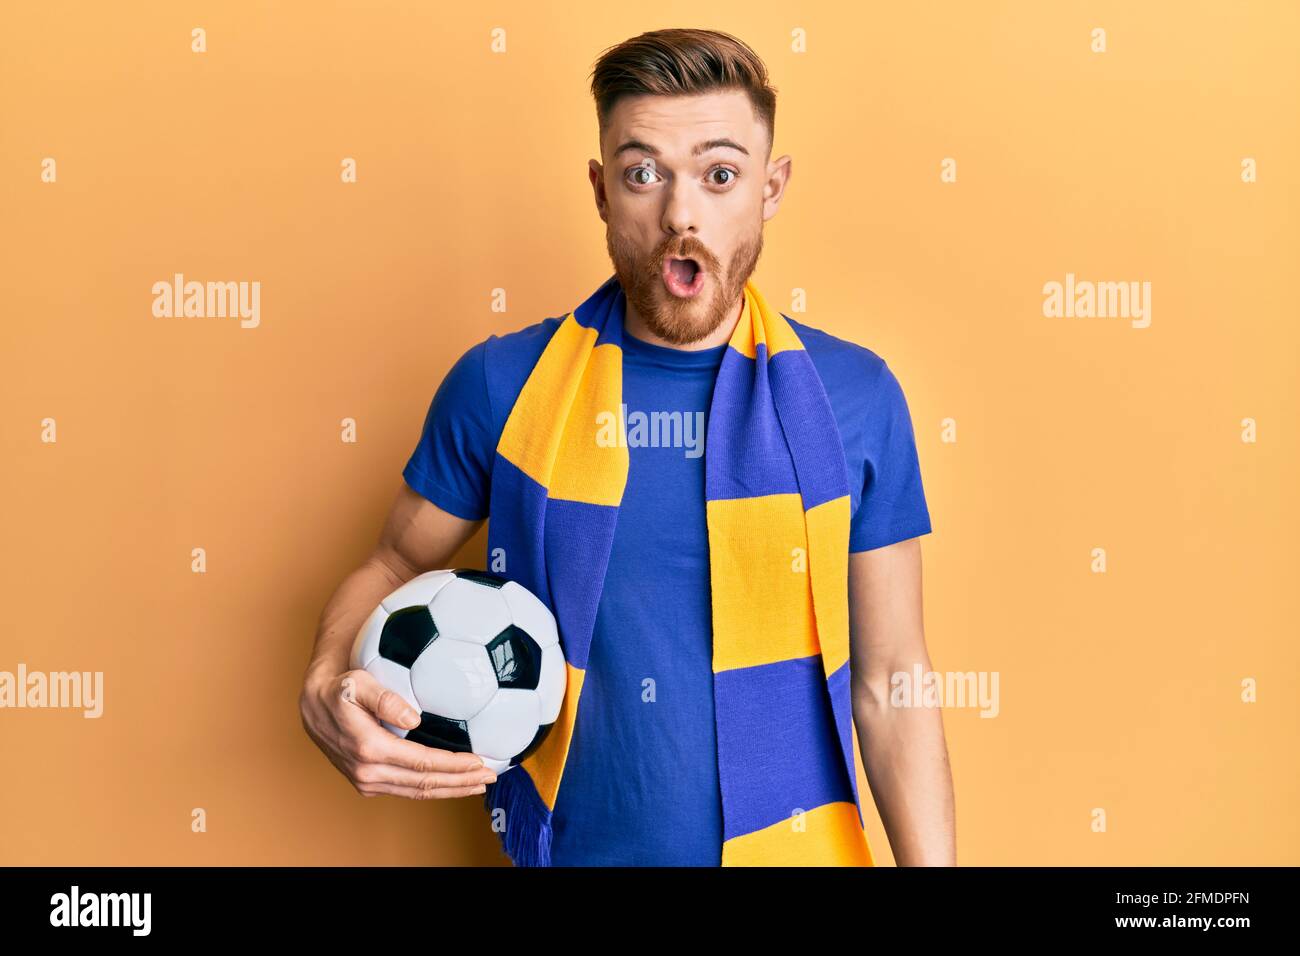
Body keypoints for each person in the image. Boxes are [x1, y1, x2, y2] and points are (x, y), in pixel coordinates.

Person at [300, 27, 955, 866]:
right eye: (644, 173)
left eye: (721, 175)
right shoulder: (503, 385)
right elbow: (392, 566)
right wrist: (325, 678)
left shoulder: (856, 398)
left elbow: (892, 681)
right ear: (602, 189)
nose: (681, 214)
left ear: (771, 188)